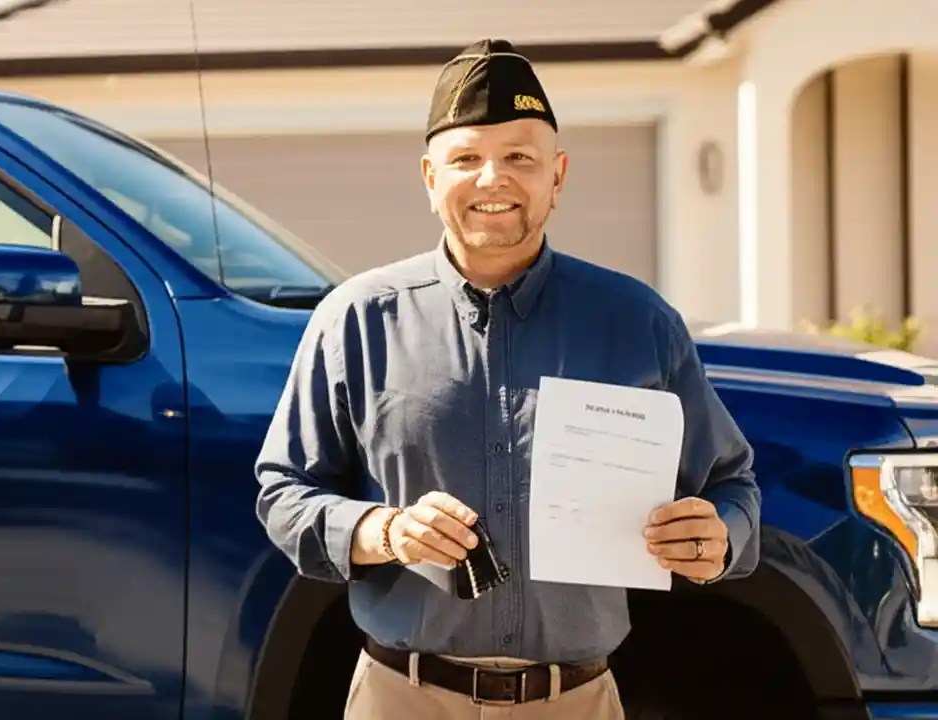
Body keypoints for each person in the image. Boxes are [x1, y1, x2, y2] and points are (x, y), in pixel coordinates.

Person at [254, 37, 761, 719]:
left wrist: (718, 538)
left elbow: (733, 487)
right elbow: (284, 493)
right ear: (430, 178)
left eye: (520, 156)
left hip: (576, 701)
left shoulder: (637, 322)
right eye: (466, 158)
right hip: (401, 697)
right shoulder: (355, 321)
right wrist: (384, 530)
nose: (492, 178)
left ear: (559, 175)